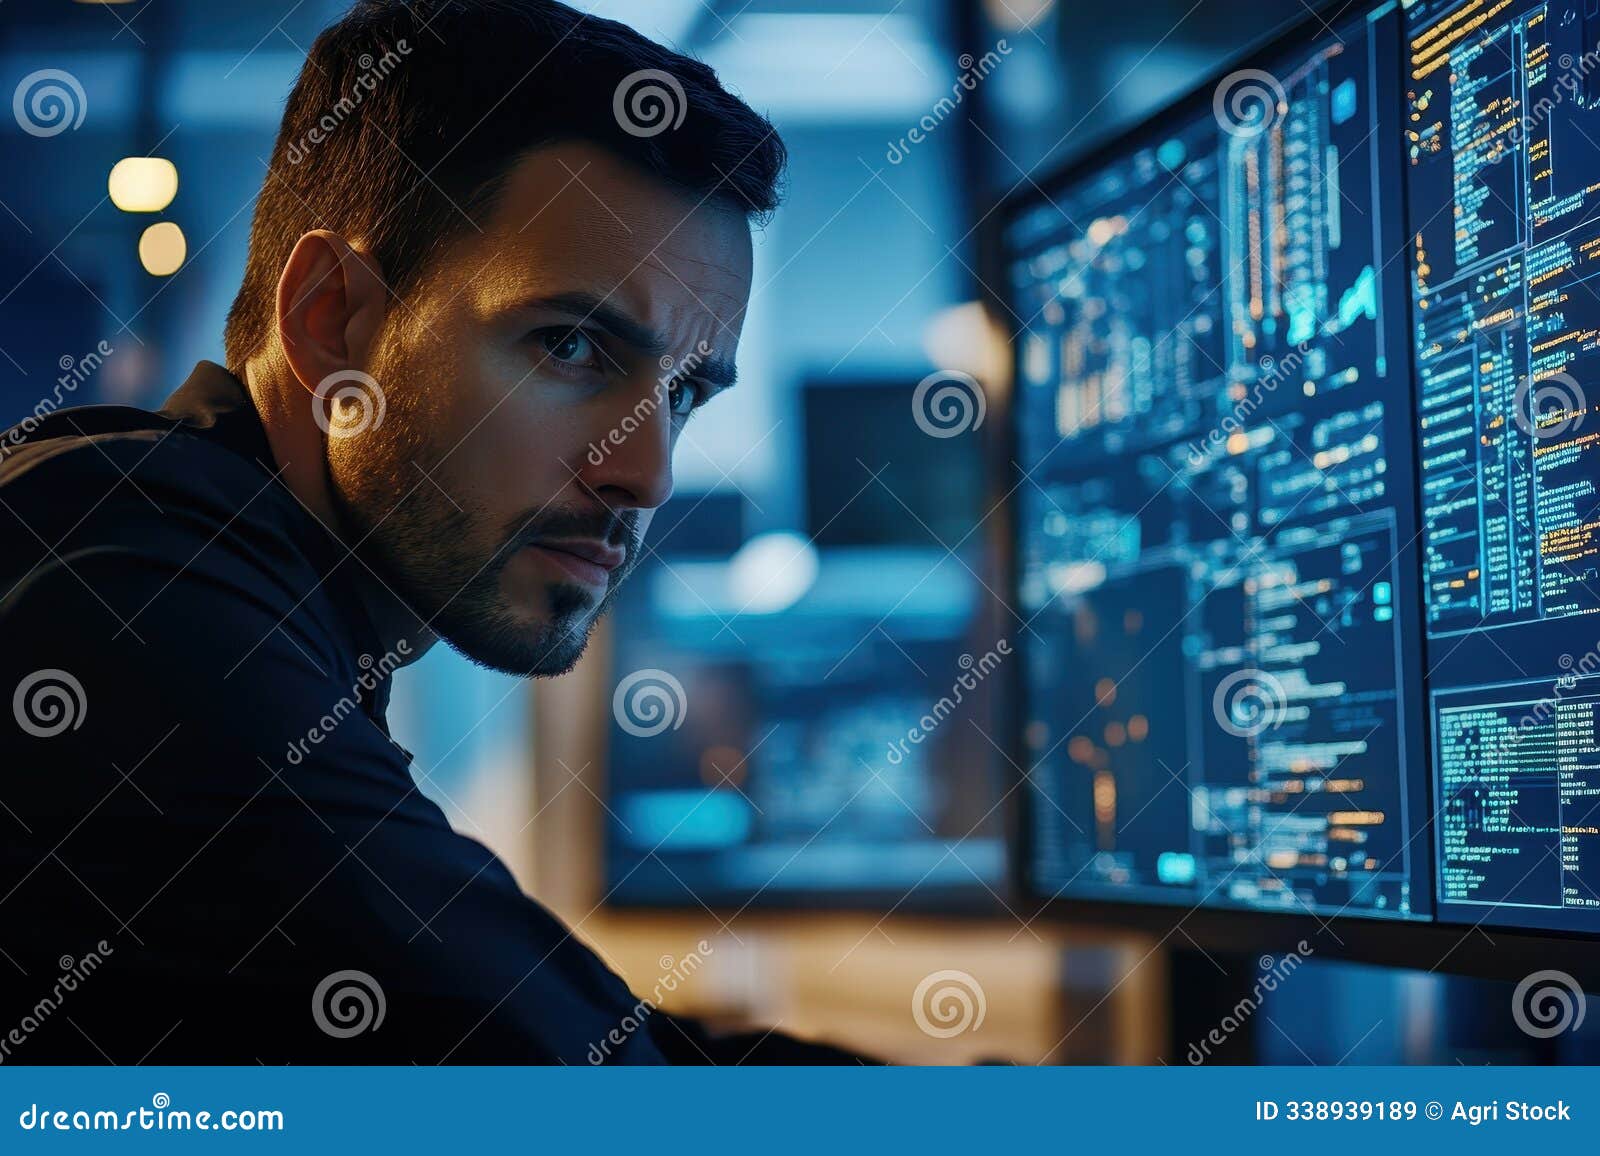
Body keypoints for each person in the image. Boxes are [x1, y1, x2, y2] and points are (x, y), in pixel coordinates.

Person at [0, 0, 855, 1064]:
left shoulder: (238, 567)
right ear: (332, 322)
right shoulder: (128, 583)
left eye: (682, 395)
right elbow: (554, 1066)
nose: (645, 472)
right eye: (572, 347)